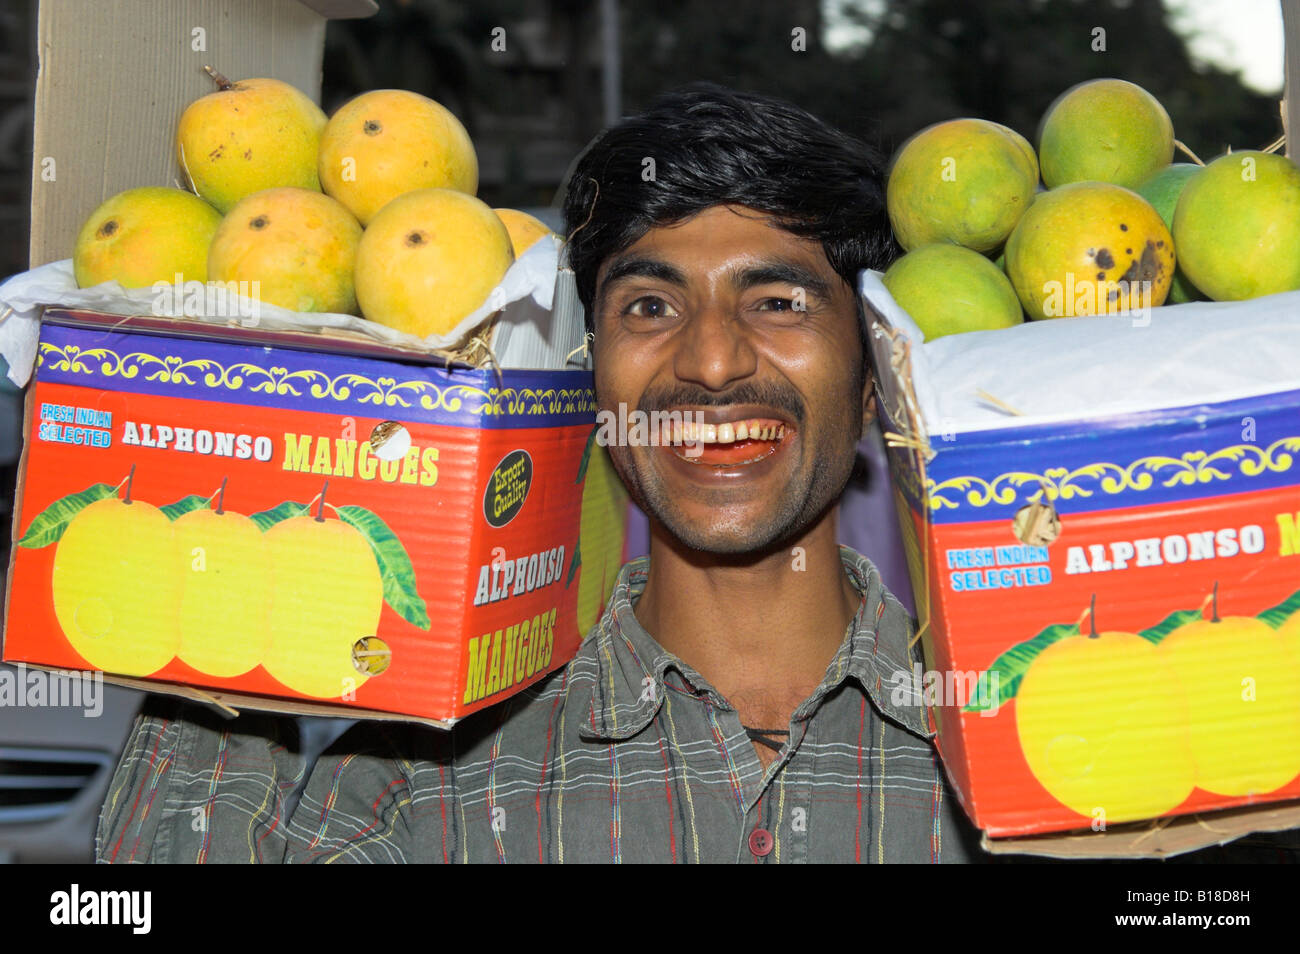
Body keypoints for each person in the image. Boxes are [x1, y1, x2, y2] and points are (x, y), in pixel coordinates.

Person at [96, 83, 984, 863]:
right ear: (588, 374)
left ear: (878, 379)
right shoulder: (424, 779)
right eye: (650, 305)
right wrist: (231, 614)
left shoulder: (1015, 738)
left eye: (778, 301)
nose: (712, 361)